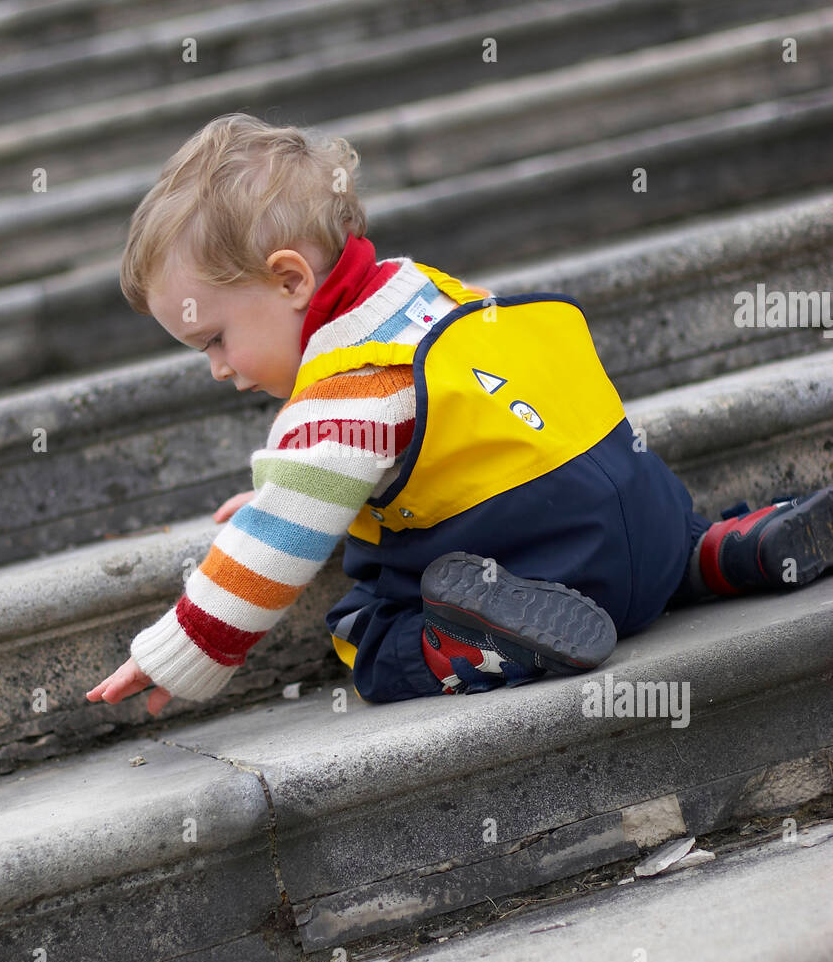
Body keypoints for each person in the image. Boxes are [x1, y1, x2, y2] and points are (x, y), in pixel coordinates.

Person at [86, 114, 833, 712]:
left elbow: (272, 544)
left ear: (288, 280)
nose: (218, 367)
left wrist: (178, 652)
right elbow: (421, 442)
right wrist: (307, 485)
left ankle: (485, 644)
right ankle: (723, 551)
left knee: (366, 638)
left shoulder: (346, 387)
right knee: (648, 540)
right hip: (645, 520)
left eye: (214, 338)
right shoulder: (426, 291)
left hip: (547, 567)